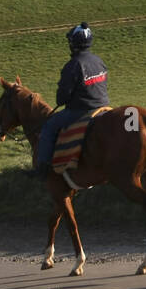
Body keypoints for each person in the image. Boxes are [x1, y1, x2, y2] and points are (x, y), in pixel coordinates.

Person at [29, 22, 110, 178]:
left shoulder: (73, 65)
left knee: (49, 127)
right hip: (103, 106)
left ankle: (43, 168)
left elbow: (62, 98)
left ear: (73, 43)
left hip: (82, 112)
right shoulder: (98, 60)